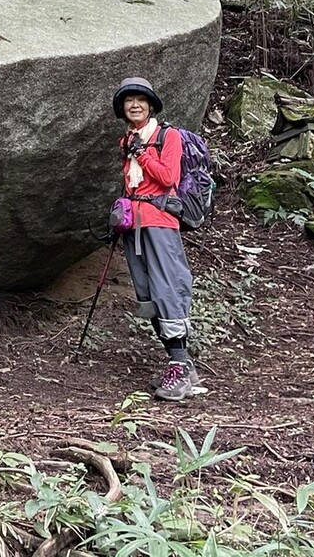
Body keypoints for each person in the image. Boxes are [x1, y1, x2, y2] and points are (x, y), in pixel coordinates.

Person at [113, 76, 198, 401]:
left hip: (160, 222)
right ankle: (182, 365)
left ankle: (178, 364)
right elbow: (132, 185)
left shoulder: (168, 136)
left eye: (140, 100)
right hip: (133, 224)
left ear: (151, 105)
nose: (134, 105)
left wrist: (143, 153)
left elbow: (167, 178)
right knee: (147, 295)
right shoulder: (128, 140)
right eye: (128, 101)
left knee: (167, 288)